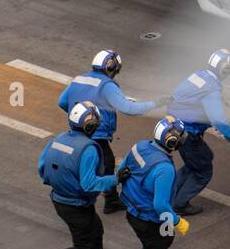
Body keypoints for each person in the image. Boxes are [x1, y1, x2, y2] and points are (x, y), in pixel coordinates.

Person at [26, 102, 132, 249]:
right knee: (84, 247)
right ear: (91, 127)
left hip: (60, 199)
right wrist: (116, 178)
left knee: (96, 230)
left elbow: (42, 168)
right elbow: (90, 184)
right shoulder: (88, 149)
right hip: (76, 205)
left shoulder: (58, 139)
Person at [58, 50, 162, 214]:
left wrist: (79, 116)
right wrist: (154, 104)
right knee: (103, 164)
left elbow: (62, 102)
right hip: (96, 133)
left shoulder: (79, 79)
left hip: (78, 129)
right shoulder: (106, 86)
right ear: (111, 67)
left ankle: (111, 199)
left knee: (103, 162)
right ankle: (105, 200)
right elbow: (128, 108)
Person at [117, 116, 191, 249]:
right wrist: (178, 222)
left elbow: (121, 169)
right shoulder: (165, 169)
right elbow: (160, 205)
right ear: (172, 141)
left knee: (157, 245)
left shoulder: (140, 146)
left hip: (132, 212)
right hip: (151, 220)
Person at [167, 48, 230, 216]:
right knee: (203, 171)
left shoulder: (199, 75)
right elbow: (218, 119)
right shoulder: (211, 89)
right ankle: (179, 204)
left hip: (175, 127)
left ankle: (170, 193)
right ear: (225, 68)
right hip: (188, 134)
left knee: (202, 159)